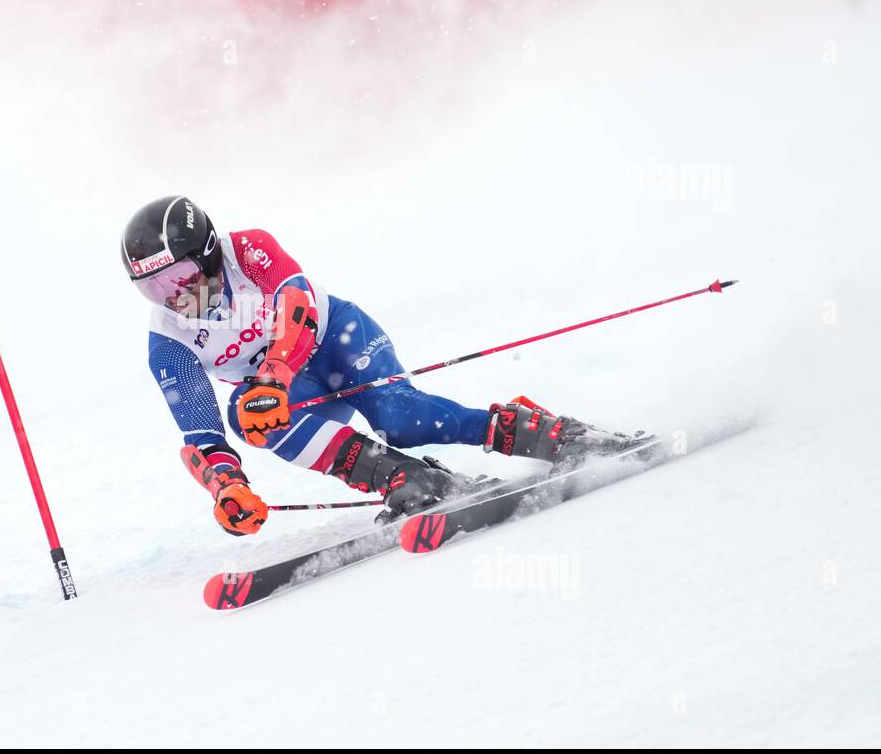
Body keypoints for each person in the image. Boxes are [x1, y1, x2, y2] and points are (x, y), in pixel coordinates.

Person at [122, 196, 632, 536]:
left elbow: (295, 301)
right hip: (284, 387)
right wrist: (226, 486)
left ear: (208, 254)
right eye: (154, 288)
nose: (175, 296)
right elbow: (202, 438)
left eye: (180, 276)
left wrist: (275, 370)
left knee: (399, 418)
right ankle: (405, 479)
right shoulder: (167, 340)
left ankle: (554, 435)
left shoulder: (245, 248)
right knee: (247, 415)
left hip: (334, 340)